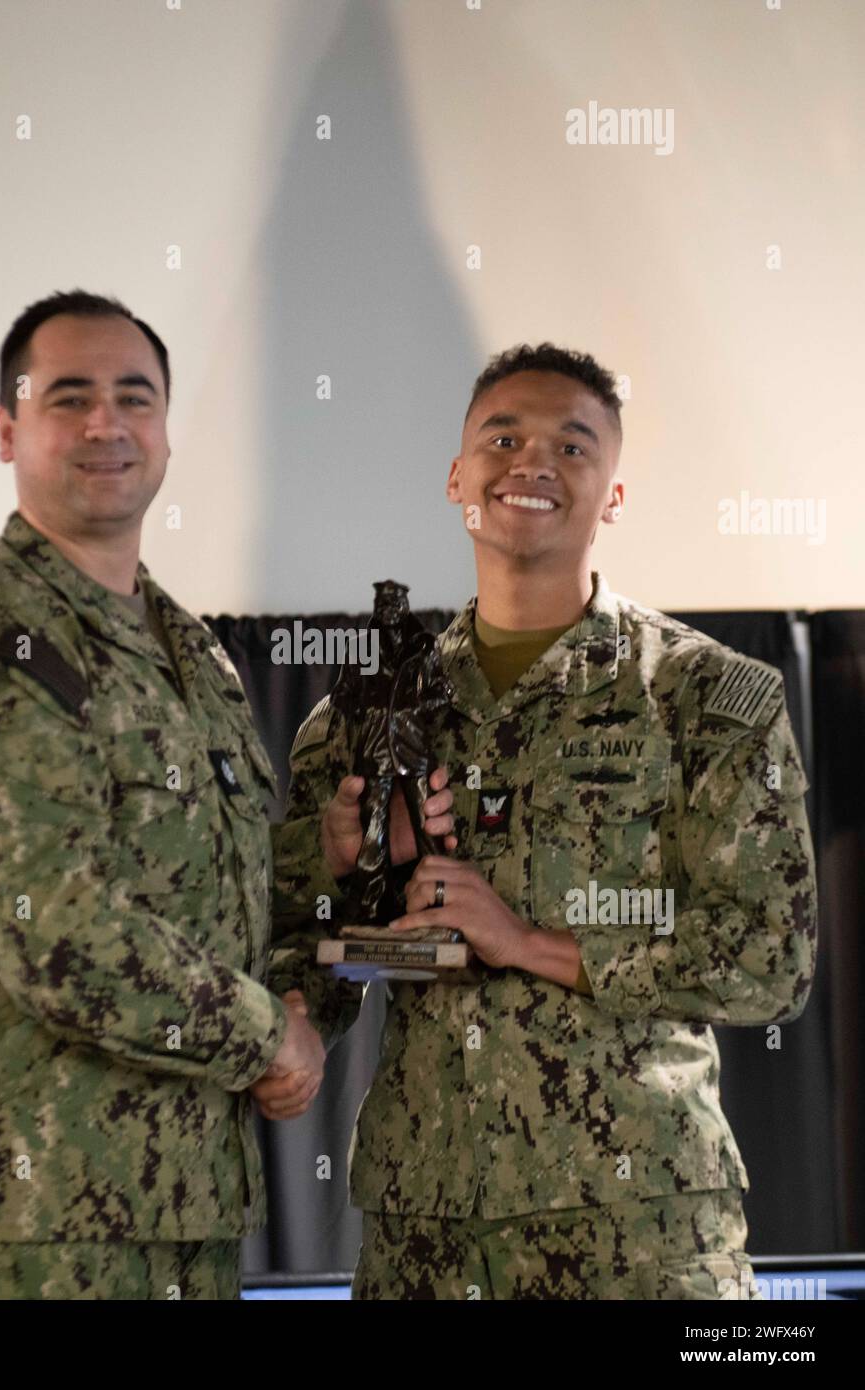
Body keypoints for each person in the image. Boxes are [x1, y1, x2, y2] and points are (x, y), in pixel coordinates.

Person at [268, 342, 818, 1299]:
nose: (531, 463)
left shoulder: (702, 698)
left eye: (572, 446)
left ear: (612, 494)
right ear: (456, 477)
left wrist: (525, 940)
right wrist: (332, 930)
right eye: (503, 437)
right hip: (423, 1234)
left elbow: (770, 958)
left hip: (637, 1231)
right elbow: (299, 935)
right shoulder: (361, 718)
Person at [0, 289, 325, 1300]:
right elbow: (59, 928)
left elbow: (225, 898)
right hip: (22, 1220)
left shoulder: (190, 654)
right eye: (67, 398)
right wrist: (265, 1035)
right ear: (7, 430)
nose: (104, 424)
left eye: (134, 397)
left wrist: (332, 872)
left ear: (165, 428)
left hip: (178, 1208)